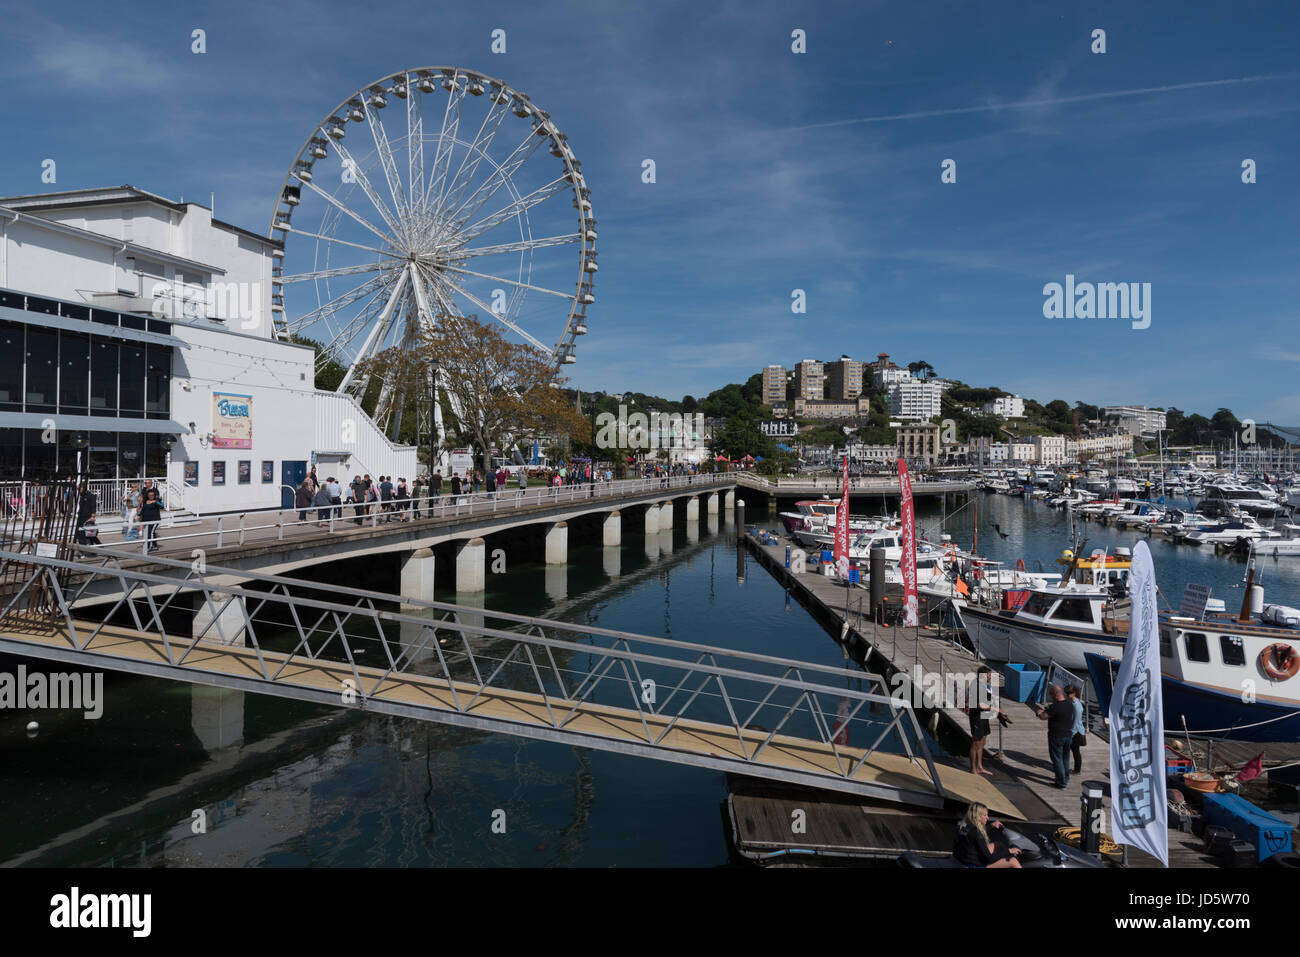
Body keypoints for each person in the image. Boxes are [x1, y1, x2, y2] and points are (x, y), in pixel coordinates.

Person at [952, 803, 1021, 868]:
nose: (987, 818)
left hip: (961, 860)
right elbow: (989, 859)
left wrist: (991, 825)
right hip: (972, 865)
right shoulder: (977, 832)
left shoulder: (962, 824)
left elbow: (974, 835)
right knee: (1013, 861)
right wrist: (1009, 851)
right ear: (977, 816)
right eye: (985, 815)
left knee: (998, 844)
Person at [966, 666, 1005, 777]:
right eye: (989, 675)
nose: (990, 677)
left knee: (982, 742)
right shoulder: (976, 686)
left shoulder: (984, 685)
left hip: (984, 716)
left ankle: (980, 767)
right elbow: (980, 705)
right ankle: (973, 769)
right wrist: (995, 709)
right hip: (976, 717)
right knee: (975, 743)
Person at [1034, 684, 1075, 788]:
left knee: (1057, 759)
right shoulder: (1069, 704)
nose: (1051, 696)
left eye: (1051, 694)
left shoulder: (1055, 706)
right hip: (1068, 735)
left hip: (1056, 736)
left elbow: (1044, 717)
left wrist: (1039, 712)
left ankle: (1061, 782)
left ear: (1054, 695)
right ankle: (1066, 777)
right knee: (1065, 758)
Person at [1066, 684, 1086, 774]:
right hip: (1074, 730)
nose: (1067, 695)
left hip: (1076, 732)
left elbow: (1076, 721)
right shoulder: (1073, 702)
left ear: (1073, 693)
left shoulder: (1076, 706)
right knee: (1072, 750)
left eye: (1069, 693)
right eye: (1066, 693)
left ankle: (1077, 770)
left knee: (1075, 751)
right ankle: (1073, 769)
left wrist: (1071, 733)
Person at [138, 488, 164, 552]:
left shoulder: (157, 501)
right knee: (151, 533)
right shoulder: (145, 501)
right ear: (147, 495)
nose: (151, 496)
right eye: (150, 495)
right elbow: (142, 509)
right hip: (146, 520)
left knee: (151, 532)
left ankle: (150, 546)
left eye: (152, 495)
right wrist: (139, 515)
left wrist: (156, 502)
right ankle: (155, 546)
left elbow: (162, 506)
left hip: (155, 519)